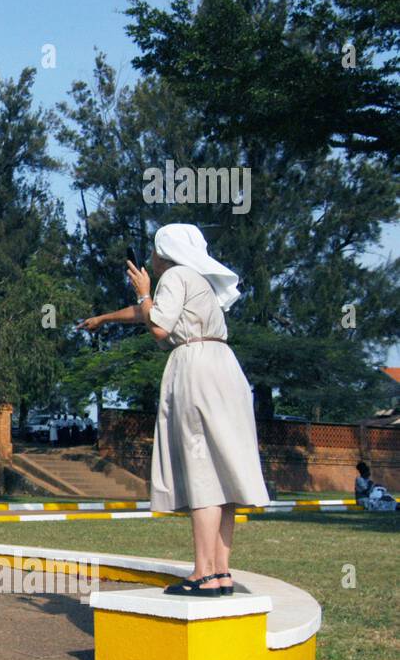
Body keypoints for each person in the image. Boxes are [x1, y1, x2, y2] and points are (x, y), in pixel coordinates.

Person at [79, 223, 270, 597]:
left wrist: (145, 291)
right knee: (224, 473)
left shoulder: (175, 276)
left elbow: (158, 327)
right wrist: (105, 318)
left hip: (195, 368)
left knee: (202, 473)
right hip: (224, 370)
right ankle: (220, 573)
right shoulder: (197, 281)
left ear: (164, 252)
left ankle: (201, 572)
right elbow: (145, 313)